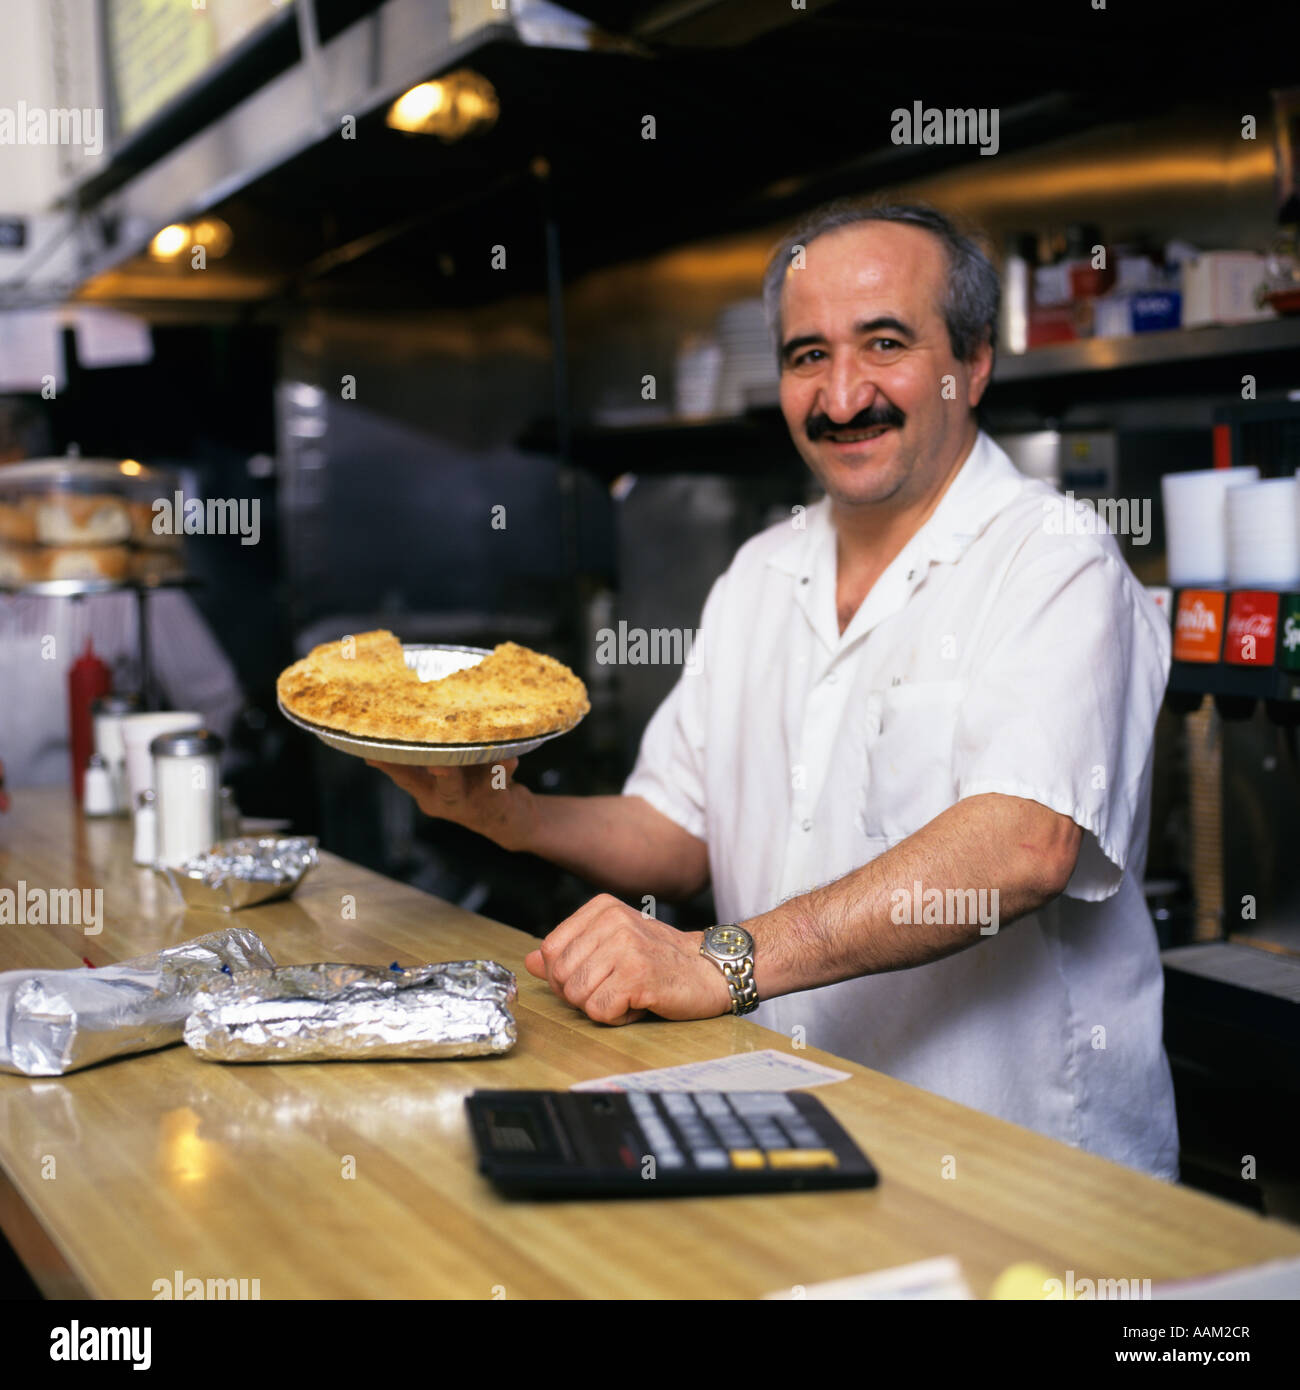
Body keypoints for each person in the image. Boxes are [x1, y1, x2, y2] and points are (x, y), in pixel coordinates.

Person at [371, 201, 1178, 1180]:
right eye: (806, 356)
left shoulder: (1053, 559)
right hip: (800, 1140)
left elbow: (1023, 843)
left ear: (971, 363)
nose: (842, 396)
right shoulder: (759, 571)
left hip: (1022, 1177)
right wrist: (505, 811)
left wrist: (723, 959)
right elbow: (676, 830)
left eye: (883, 344)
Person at [0, 398, 243, 795]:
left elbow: (214, 697)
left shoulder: (117, 579)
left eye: (10, 496)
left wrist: (165, 796)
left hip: (100, 825)